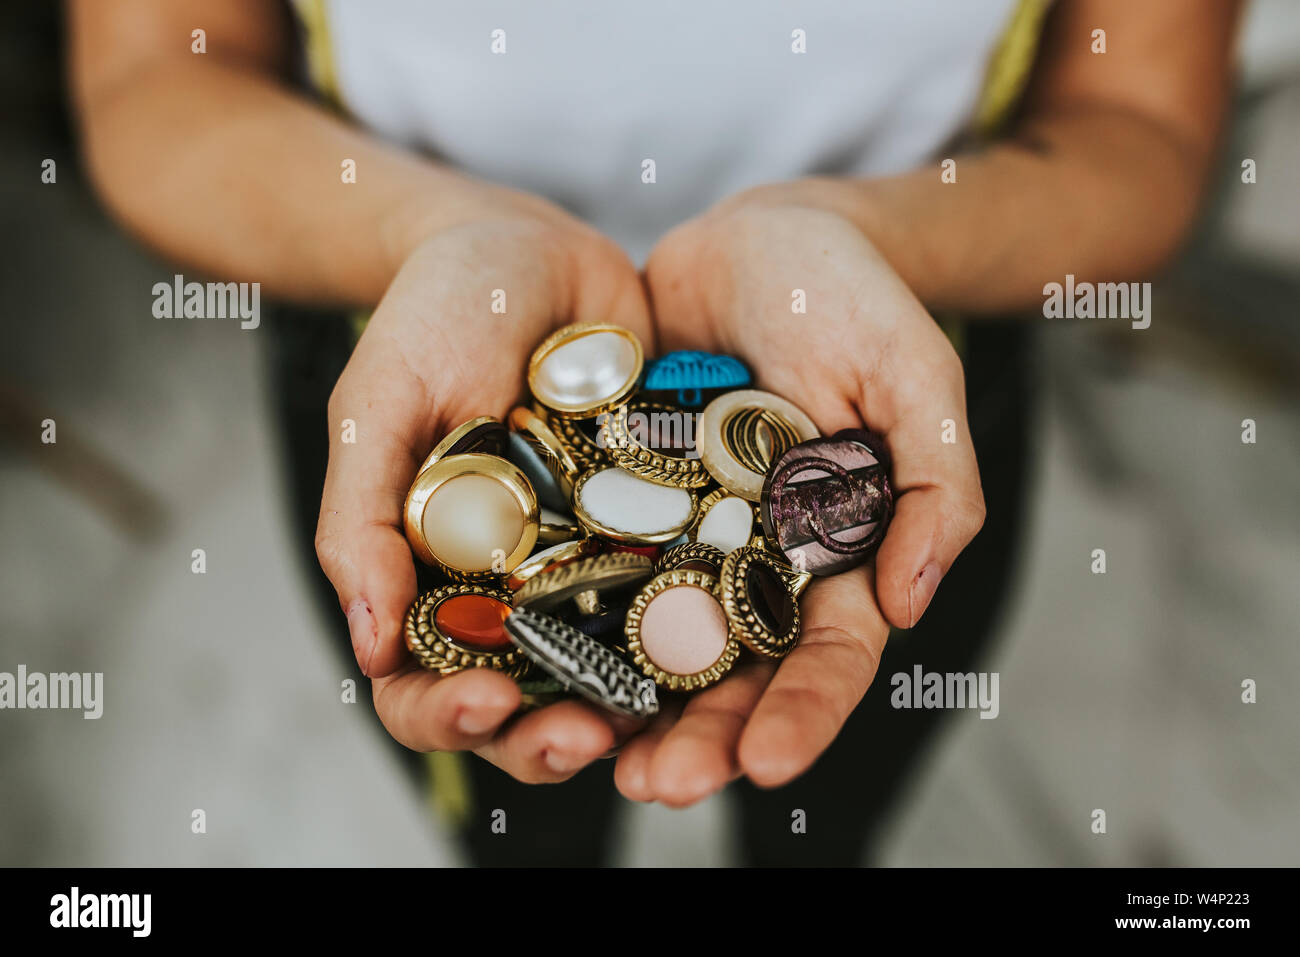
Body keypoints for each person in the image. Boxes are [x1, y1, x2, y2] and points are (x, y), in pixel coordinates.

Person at [68, 0, 1242, 865]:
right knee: (514, 790)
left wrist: (878, 234)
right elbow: (157, 81)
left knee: (826, 799)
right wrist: (429, 229)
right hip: (428, 377)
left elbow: (1138, 123)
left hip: (892, 385)